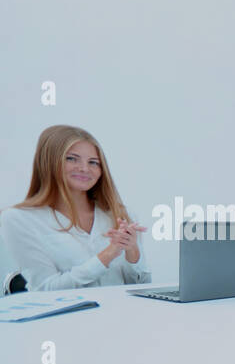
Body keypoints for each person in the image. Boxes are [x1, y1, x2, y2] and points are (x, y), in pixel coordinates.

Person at [0, 124, 151, 290]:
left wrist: (132, 252)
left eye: (93, 162)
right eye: (72, 158)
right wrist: (107, 255)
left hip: (122, 314)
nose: (85, 169)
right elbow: (45, 289)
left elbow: (141, 287)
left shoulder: (121, 215)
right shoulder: (18, 219)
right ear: (49, 162)